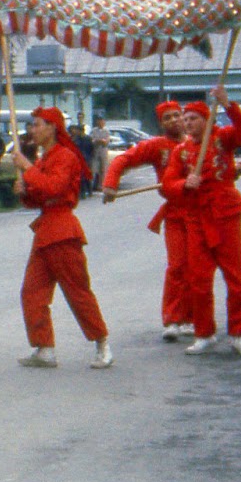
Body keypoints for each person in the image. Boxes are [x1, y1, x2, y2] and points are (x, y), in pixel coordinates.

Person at [12, 107, 112, 369]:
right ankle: (44, 347)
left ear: (52, 127)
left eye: (36, 125)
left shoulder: (65, 156)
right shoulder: (46, 158)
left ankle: (102, 343)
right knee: (32, 292)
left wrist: (27, 169)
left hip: (62, 231)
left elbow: (54, 188)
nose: (32, 130)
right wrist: (24, 191)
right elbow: (39, 197)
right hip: (46, 231)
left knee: (77, 290)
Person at [161, 87, 241, 356]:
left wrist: (228, 104)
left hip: (225, 214)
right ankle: (204, 333)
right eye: (185, 119)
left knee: (235, 278)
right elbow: (168, 185)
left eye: (193, 119)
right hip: (196, 218)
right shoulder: (180, 152)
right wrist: (184, 183)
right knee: (198, 280)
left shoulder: (221, 138)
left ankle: (238, 333)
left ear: (207, 120)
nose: (187, 123)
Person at [102, 101, 193, 341]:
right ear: (161, 123)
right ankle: (173, 319)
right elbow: (122, 160)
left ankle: (192, 318)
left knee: (198, 268)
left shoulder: (197, 142)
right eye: (168, 118)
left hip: (201, 212)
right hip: (175, 213)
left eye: (177, 116)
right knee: (177, 266)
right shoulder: (157, 146)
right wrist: (110, 184)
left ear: (184, 118)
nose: (174, 121)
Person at [89, 115, 111, 187]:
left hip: (103, 151)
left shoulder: (106, 131)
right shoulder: (94, 130)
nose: (100, 122)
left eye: (102, 121)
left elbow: (106, 141)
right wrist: (99, 140)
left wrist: (100, 141)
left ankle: (101, 185)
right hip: (95, 151)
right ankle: (91, 185)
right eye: (99, 121)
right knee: (94, 169)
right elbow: (92, 140)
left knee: (103, 169)